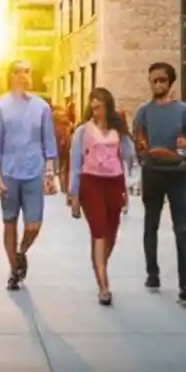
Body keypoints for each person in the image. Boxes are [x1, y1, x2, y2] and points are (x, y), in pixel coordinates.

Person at [133, 62, 186, 309]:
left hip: (178, 177)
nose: (158, 84)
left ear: (171, 82)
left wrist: (180, 156)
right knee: (151, 225)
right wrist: (149, 159)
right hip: (152, 175)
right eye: (154, 80)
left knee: (182, 230)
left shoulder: (184, 111)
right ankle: (152, 273)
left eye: (162, 80)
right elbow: (138, 139)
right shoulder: (143, 112)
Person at [0, 60, 59, 291]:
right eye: (18, 72)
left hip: (34, 172)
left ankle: (21, 253)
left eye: (27, 71)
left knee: (33, 225)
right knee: (9, 222)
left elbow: (49, 141)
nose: (23, 76)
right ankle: (13, 271)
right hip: (8, 172)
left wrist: (50, 171)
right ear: (10, 76)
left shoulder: (41, 107)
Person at [67, 87, 136, 306]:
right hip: (91, 183)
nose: (95, 111)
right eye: (93, 107)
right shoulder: (82, 131)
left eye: (99, 107)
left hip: (114, 182)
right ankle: (103, 287)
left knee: (111, 233)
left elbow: (129, 157)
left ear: (108, 106)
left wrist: (129, 188)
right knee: (98, 232)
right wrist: (74, 194)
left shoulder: (119, 130)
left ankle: (99, 265)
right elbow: (75, 163)